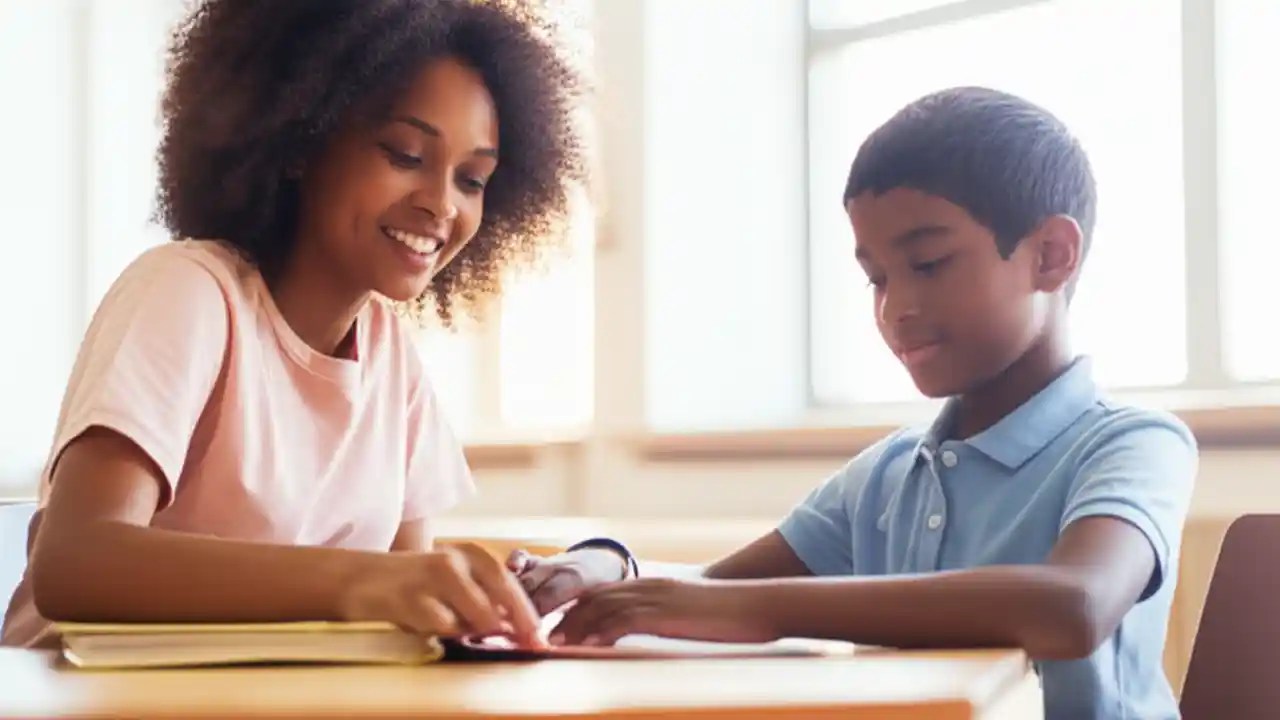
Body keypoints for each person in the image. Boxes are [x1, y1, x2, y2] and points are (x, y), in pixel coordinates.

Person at [513, 87, 1198, 720]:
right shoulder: (887, 474)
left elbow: (1074, 605)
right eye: (876, 278)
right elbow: (710, 588)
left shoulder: (1133, 443)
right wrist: (607, 567)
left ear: (1050, 255)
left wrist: (756, 613)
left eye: (928, 264)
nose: (895, 309)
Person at [2, 0, 589, 649]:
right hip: (72, 692)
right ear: (300, 142)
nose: (441, 204)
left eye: (472, 180)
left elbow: (402, 610)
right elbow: (75, 563)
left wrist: (477, 600)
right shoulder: (190, 292)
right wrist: (358, 581)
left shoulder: (391, 358)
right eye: (404, 154)